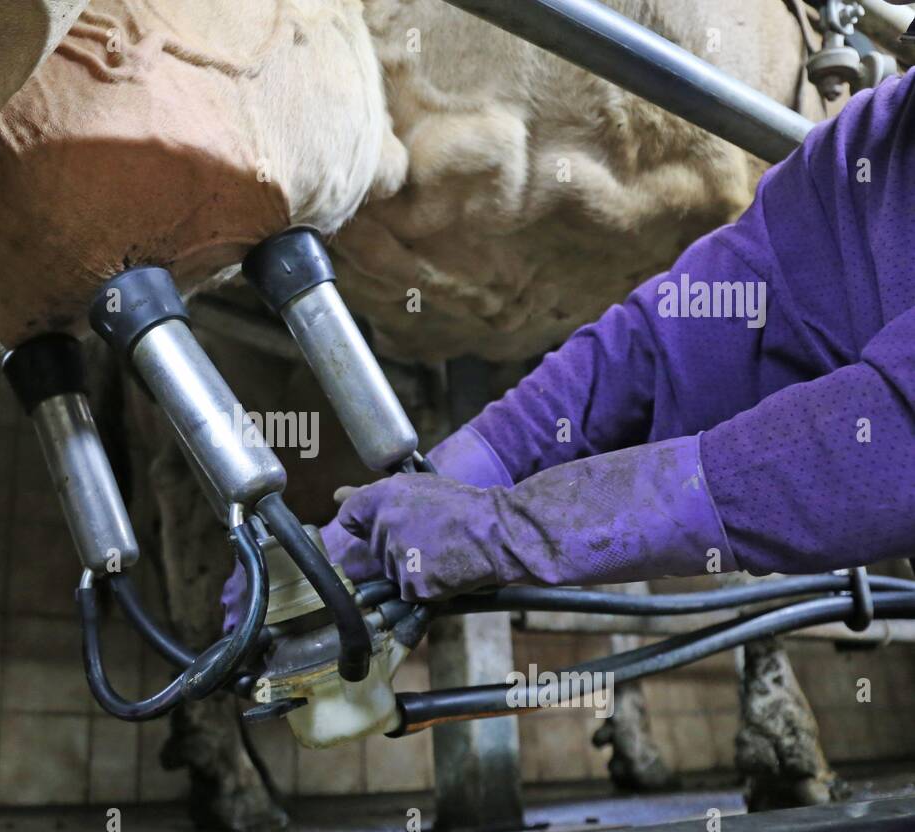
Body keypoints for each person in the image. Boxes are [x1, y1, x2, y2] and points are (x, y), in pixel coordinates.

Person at [222, 63, 915, 631]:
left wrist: (509, 531)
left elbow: (881, 442)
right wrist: (446, 483)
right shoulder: (879, 139)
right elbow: (673, 334)